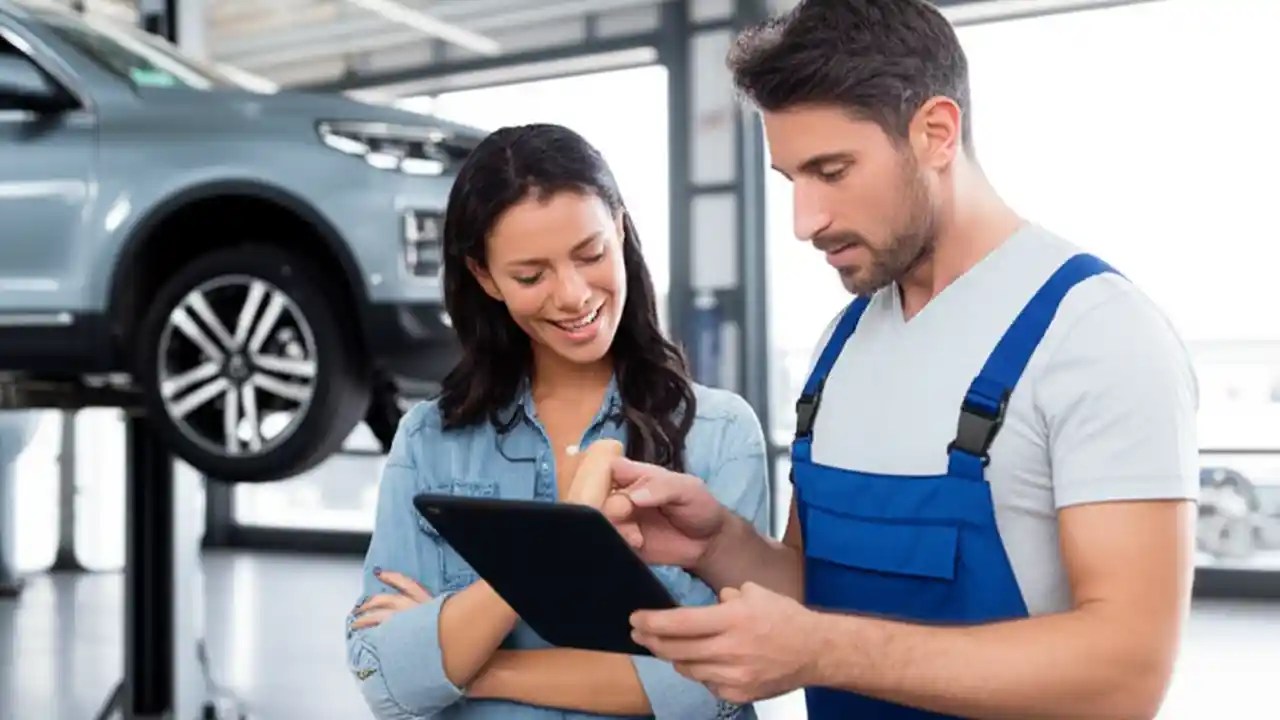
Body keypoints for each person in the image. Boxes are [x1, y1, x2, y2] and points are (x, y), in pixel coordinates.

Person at [603, 2, 1199, 719]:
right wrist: (718, 544)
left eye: (832, 170)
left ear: (936, 133)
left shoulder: (1095, 335)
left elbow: (1125, 674)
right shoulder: (841, 346)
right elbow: (817, 593)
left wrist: (825, 652)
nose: (805, 221)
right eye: (792, 179)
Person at [344, 123, 770, 720]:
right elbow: (384, 677)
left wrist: (472, 665)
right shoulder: (430, 439)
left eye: (591, 254)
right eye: (530, 275)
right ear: (486, 278)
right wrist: (562, 544)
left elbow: (713, 688)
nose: (572, 295)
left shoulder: (718, 432)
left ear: (620, 230)